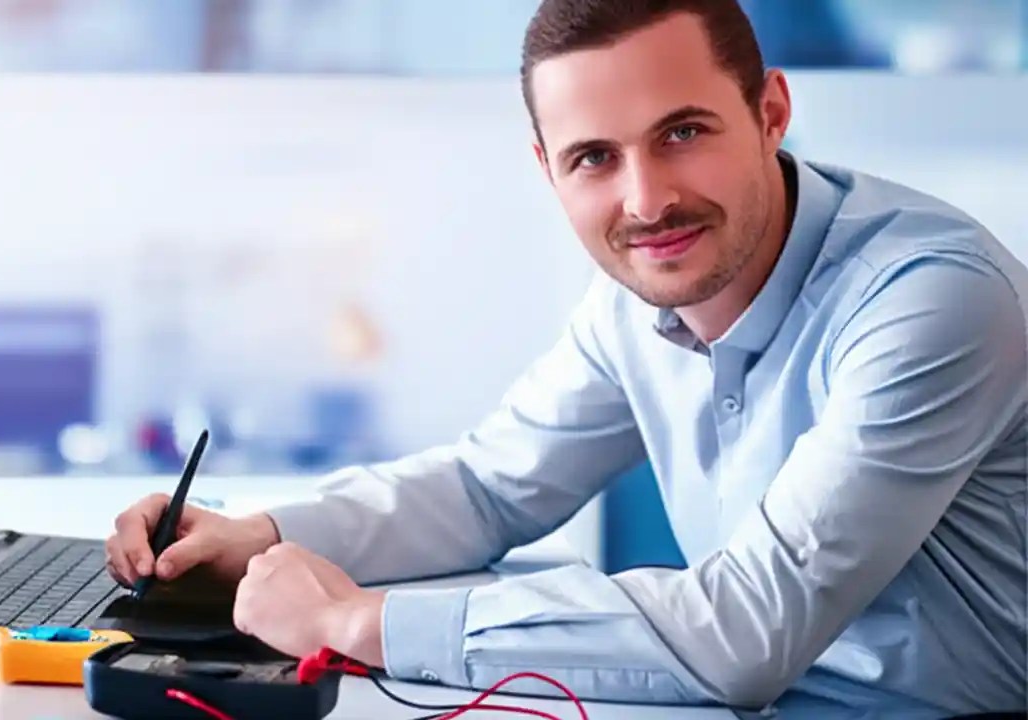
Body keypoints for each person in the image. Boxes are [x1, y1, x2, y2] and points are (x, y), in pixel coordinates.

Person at [105, 0, 1028, 715]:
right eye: (595, 157)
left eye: (683, 132)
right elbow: (488, 487)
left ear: (770, 111)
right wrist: (260, 537)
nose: (645, 200)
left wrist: (356, 622)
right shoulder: (640, 295)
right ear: (549, 168)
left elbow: (750, 629)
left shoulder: (931, 297)